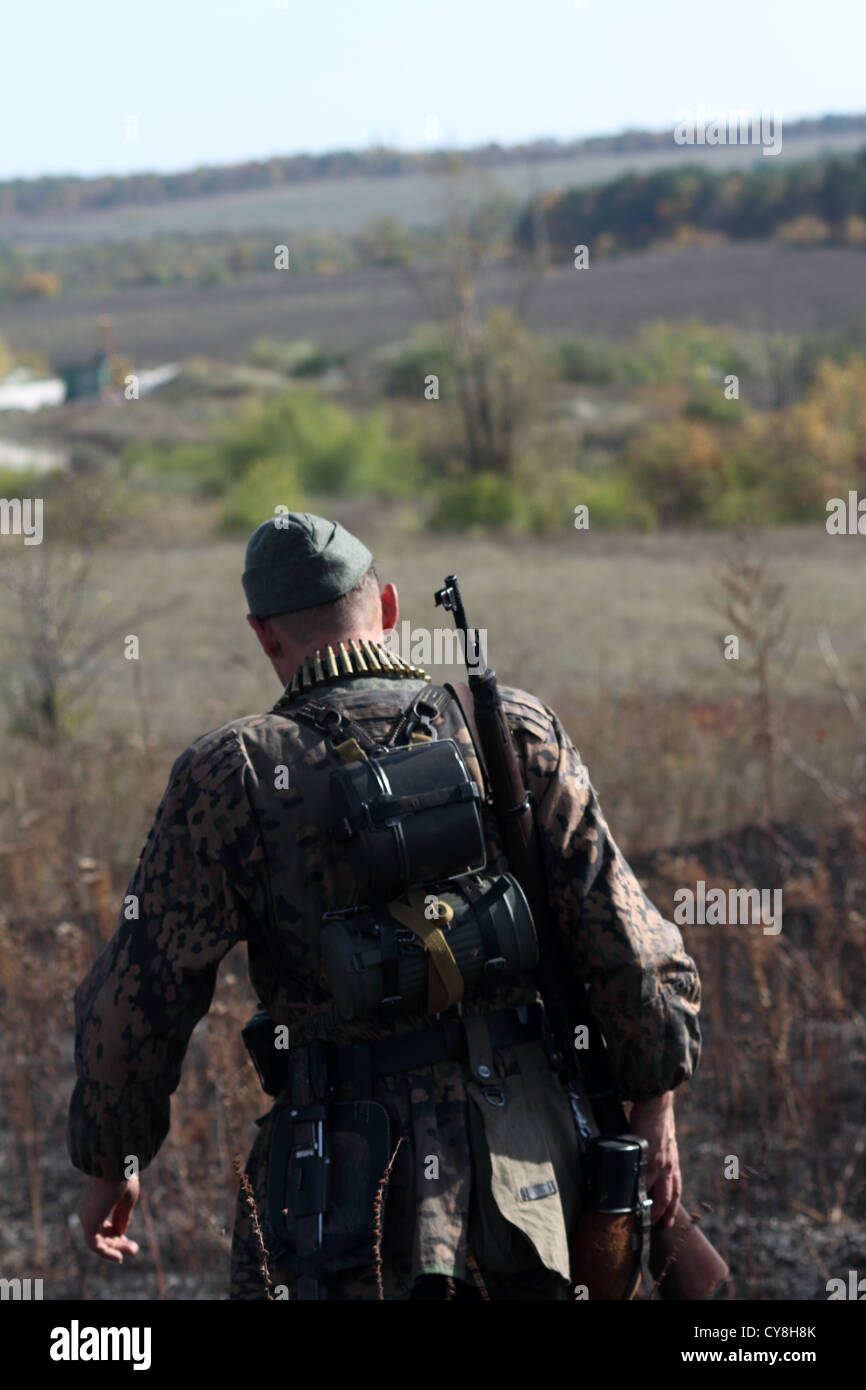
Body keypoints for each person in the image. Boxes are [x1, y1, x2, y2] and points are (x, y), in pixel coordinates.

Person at [69, 512, 701, 1300]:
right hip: (530, 1170)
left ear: (265, 637)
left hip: (333, 1188)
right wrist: (654, 1102)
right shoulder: (510, 728)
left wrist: (112, 1161)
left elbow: (139, 998)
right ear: (391, 607)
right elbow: (628, 945)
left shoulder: (227, 774)